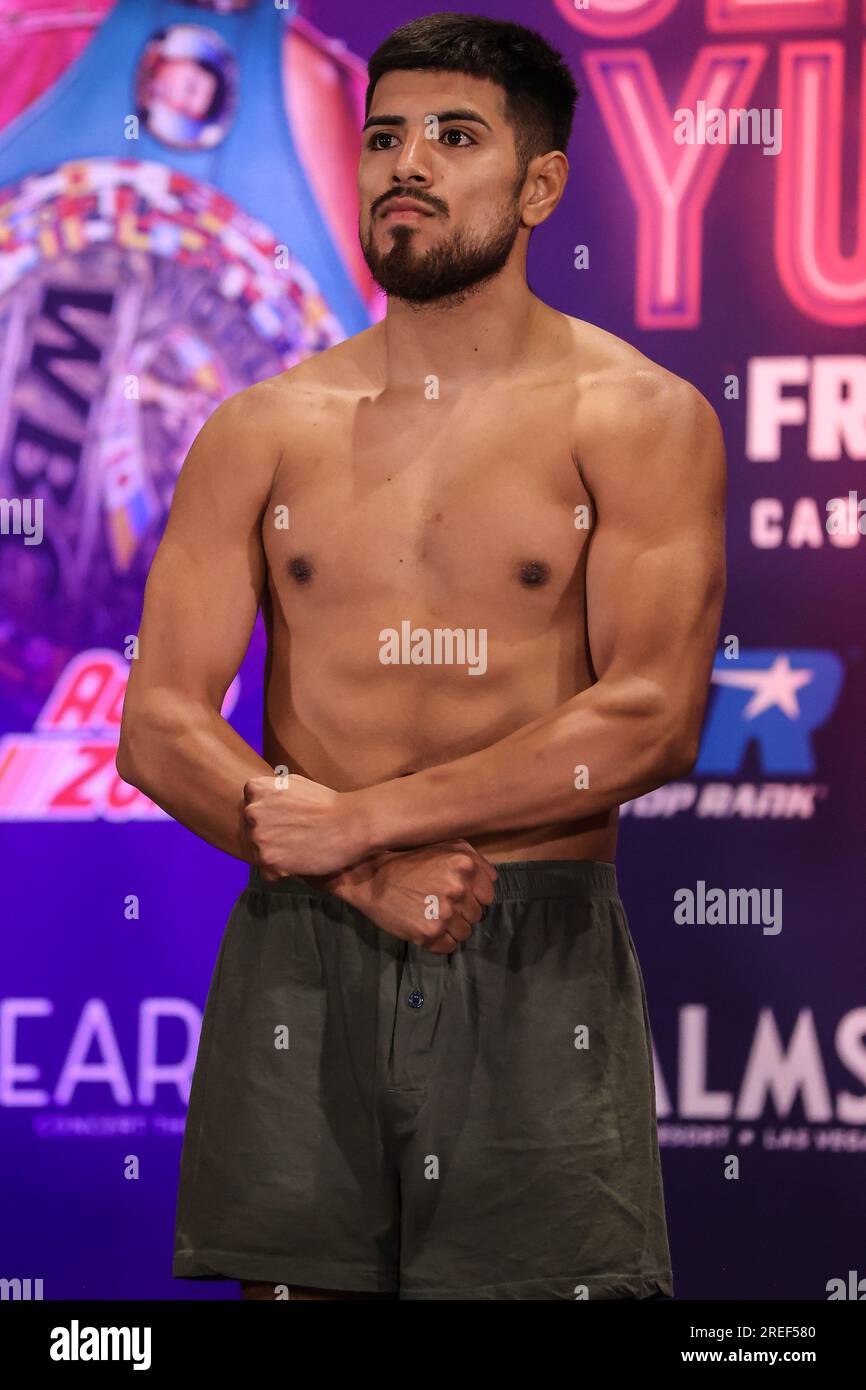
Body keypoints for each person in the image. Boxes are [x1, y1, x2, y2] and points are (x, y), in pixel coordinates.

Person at [117, 12, 726, 1301]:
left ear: (541, 183)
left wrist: (359, 826)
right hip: (302, 942)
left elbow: (651, 719)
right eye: (387, 135)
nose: (410, 163)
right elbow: (161, 721)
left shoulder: (637, 418)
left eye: (458, 137)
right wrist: (357, 872)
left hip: (529, 945)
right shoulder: (260, 427)